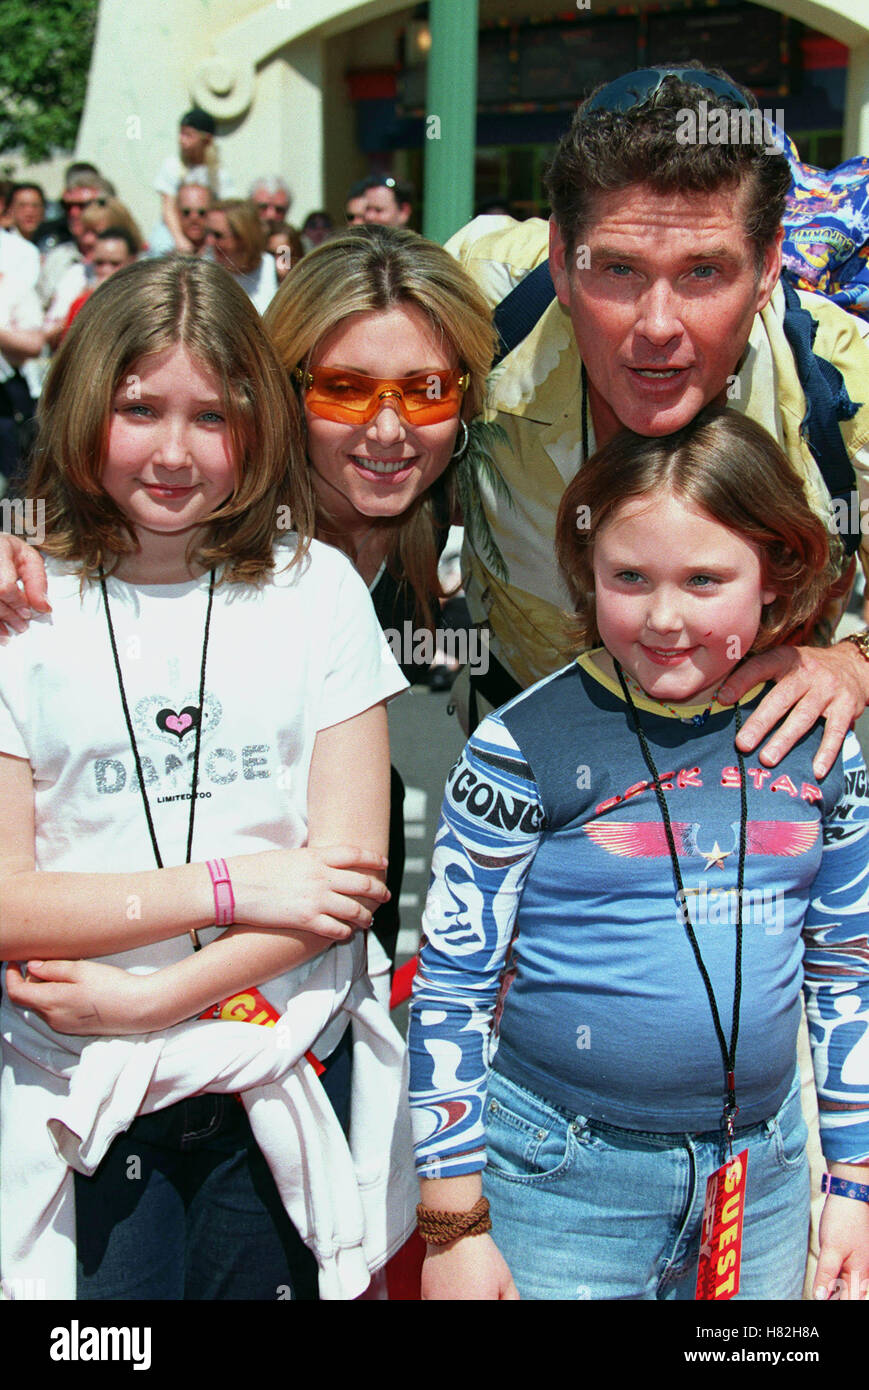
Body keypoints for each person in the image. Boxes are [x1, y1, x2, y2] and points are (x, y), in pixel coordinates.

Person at [0, 255, 414, 1301]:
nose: (175, 452)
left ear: (258, 423)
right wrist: (233, 885)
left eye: (214, 416)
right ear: (83, 404)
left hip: (274, 1073)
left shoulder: (316, 591)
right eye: (139, 408)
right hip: (72, 1091)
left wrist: (151, 999)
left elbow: (346, 884)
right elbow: (8, 904)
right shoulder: (22, 608)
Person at [409, 407, 869, 1301]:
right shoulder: (518, 746)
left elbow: (846, 969)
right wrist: (452, 1228)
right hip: (557, 1186)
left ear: (775, 573)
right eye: (629, 577)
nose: (663, 617)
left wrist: (850, 1184)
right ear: (584, 570)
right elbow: (451, 988)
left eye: (703, 579)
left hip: (765, 1184)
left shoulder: (820, 743)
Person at [446, 65, 869, 783]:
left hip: (752, 785)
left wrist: (852, 663)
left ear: (768, 267)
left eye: (703, 272)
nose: (658, 325)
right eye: (619, 270)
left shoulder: (841, 384)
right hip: (520, 779)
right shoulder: (477, 310)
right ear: (561, 260)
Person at [153, 108, 235, 254]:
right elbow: (168, 207)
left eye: (188, 135)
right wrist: (179, 239)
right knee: (159, 246)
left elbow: (228, 208)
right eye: (181, 133)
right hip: (174, 229)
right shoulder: (172, 165)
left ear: (206, 139)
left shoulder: (218, 174)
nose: (181, 140)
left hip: (207, 230)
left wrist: (209, 240)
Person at [206, 198, 277, 314]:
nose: (209, 242)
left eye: (218, 235)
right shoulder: (205, 270)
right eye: (207, 233)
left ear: (243, 237)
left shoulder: (273, 268)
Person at [174, 182, 211, 256]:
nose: (194, 218)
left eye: (201, 212)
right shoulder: (161, 248)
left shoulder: (221, 253)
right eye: (186, 212)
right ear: (177, 213)